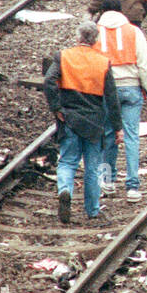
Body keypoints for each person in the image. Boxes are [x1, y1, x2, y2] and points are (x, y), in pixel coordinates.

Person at [44, 21, 123, 224]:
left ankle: (64, 190)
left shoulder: (63, 56)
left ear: (78, 37)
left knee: (68, 161)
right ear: (95, 40)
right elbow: (112, 99)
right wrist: (117, 128)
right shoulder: (103, 62)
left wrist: (56, 108)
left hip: (69, 118)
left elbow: (49, 81)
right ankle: (93, 210)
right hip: (94, 122)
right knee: (92, 167)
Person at [95, 0, 147, 203]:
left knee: (107, 136)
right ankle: (132, 187)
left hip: (105, 90)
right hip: (131, 88)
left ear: (103, 11)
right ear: (120, 11)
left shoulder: (94, 31)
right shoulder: (133, 31)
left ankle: (108, 181)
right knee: (132, 137)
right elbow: (145, 65)